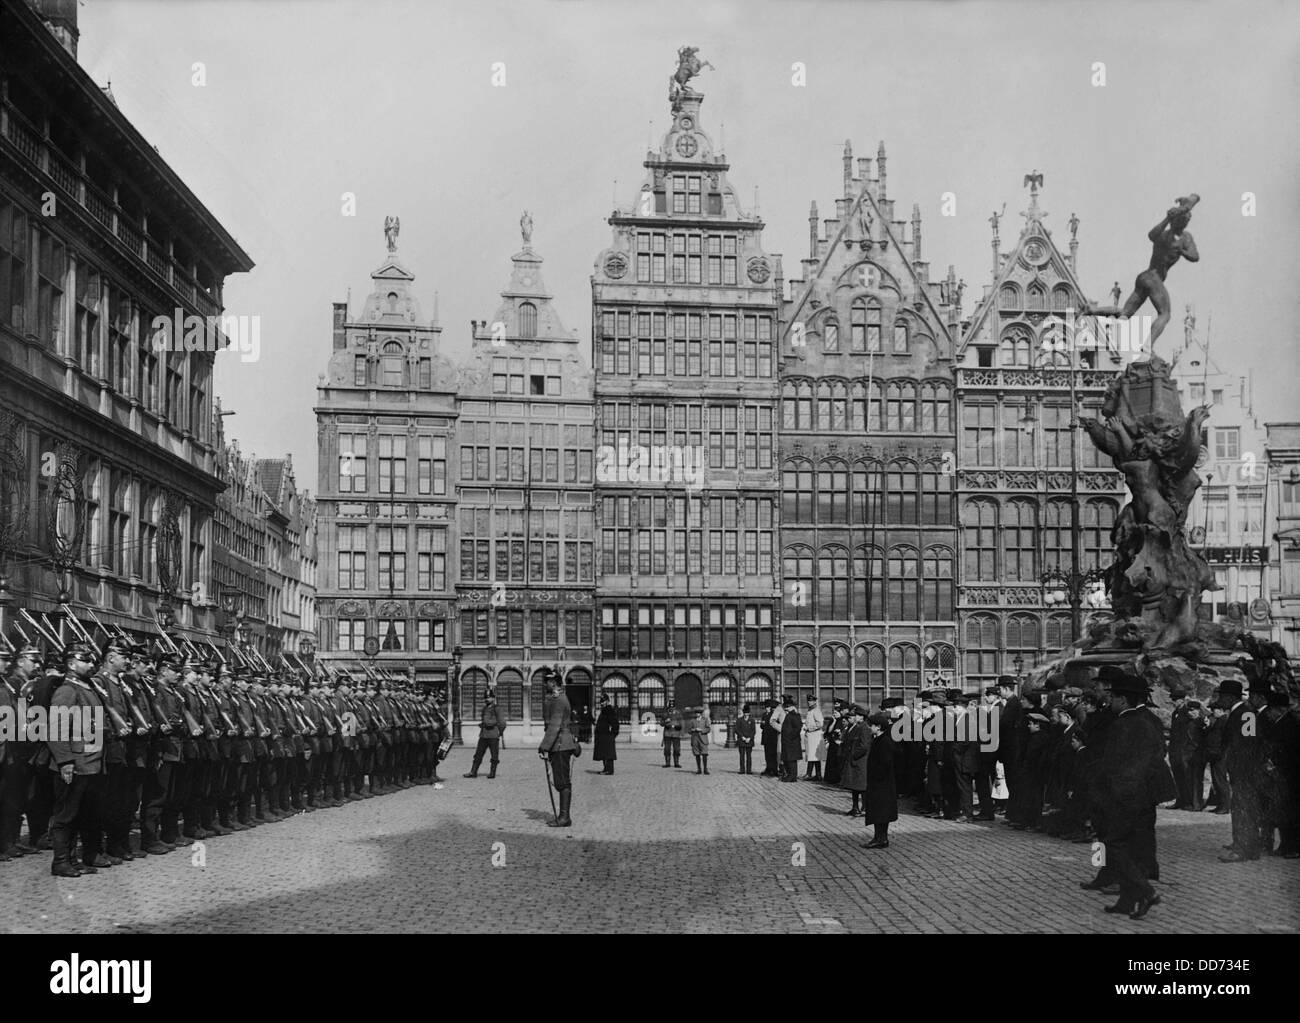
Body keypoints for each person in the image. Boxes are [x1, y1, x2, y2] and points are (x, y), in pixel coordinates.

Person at [1091, 666, 1175, 920]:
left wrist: (1115, 792)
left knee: (1114, 844)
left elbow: (1123, 765)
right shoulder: (1149, 719)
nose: (1111, 700)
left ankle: (1145, 891)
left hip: (1127, 796)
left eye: (1114, 696)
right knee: (1134, 846)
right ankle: (1127, 901)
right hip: (1144, 796)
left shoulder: (1125, 724)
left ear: (1124, 699)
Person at [47, 644, 108, 878]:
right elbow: (56, 729)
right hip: (75, 763)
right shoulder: (67, 690)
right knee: (66, 815)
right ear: (72, 664)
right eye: (86, 661)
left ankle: (73, 859)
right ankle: (61, 861)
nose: (92, 665)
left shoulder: (87, 687)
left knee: (83, 814)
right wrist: (65, 761)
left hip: (91, 762)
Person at [1219, 679, 1268, 862]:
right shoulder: (1240, 713)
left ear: (1229, 697)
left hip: (1245, 772)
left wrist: (1240, 769)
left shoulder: (1246, 715)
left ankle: (1244, 849)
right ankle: (1247, 847)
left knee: (1244, 810)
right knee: (1243, 809)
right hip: (1242, 771)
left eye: (1221, 696)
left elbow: (1249, 744)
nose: (1219, 700)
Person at [539, 673, 577, 827]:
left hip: (560, 744)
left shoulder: (560, 700)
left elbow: (555, 725)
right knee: (561, 780)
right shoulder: (557, 699)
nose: (545, 685)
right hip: (559, 743)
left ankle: (564, 817)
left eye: (547, 682)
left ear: (553, 683)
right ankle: (563, 816)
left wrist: (544, 746)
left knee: (562, 781)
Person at [862, 712, 897, 849]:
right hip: (878, 783)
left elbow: (885, 764)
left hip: (882, 784)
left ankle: (881, 839)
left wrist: (877, 777)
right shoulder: (878, 740)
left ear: (879, 727)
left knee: (881, 812)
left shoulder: (885, 742)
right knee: (878, 811)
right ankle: (879, 837)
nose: (870, 728)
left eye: (872, 726)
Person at [464, 690, 506, 779]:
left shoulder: (497, 709)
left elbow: (502, 722)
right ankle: (473, 772)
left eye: (489, 697)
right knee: (478, 754)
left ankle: (492, 773)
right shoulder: (485, 708)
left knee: (494, 755)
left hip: (493, 735)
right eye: (486, 698)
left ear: (493, 698)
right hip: (483, 735)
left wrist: (500, 732)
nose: (487, 699)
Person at [839, 705, 869, 816]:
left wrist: (854, 755)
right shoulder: (857, 727)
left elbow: (864, 746)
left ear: (862, 717)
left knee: (862, 786)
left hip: (860, 761)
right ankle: (855, 807)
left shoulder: (864, 728)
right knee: (854, 786)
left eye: (856, 715)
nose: (854, 717)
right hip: (855, 761)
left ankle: (865, 808)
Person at [593, 693, 619, 775]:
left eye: (603, 701)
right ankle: (606, 769)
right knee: (604, 753)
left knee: (608, 754)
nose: (601, 703)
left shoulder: (609, 710)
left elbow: (615, 724)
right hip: (603, 736)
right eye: (601, 702)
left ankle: (609, 770)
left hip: (607, 736)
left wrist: (612, 735)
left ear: (607, 701)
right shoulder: (604, 710)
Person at [779, 695, 802, 782]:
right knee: (787, 759)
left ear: (792, 707)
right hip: (787, 741)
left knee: (792, 759)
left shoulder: (795, 715)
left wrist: (790, 738)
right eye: (786, 706)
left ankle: (792, 776)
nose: (786, 708)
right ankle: (789, 775)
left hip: (792, 742)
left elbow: (797, 728)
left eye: (788, 707)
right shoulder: (789, 715)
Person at [802, 695, 824, 780]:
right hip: (811, 735)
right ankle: (817, 775)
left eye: (811, 701)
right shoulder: (810, 710)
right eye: (808, 701)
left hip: (815, 735)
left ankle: (810, 774)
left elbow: (820, 724)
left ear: (815, 701)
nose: (809, 702)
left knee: (814, 755)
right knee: (813, 755)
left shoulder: (816, 711)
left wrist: (809, 728)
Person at [760, 699, 780, 777]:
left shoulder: (773, 715)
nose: (767, 708)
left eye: (768, 707)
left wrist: (766, 723)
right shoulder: (764, 715)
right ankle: (768, 768)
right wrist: (763, 724)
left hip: (772, 737)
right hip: (766, 737)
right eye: (766, 707)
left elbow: (773, 725)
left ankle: (774, 769)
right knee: (767, 754)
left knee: (773, 754)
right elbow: (761, 726)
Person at [734, 703, 756, 774]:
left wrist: (749, 738)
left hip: (749, 740)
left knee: (749, 756)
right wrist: (742, 737)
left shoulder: (752, 720)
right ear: (743, 713)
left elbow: (753, 731)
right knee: (742, 756)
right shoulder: (739, 720)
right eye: (745, 713)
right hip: (741, 740)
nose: (746, 714)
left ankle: (749, 770)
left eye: (748, 713)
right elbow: (737, 730)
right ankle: (742, 770)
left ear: (749, 713)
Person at [690, 704, 711, 775]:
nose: (697, 714)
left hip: (703, 739)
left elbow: (708, 729)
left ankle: (705, 769)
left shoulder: (705, 720)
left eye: (698, 713)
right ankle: (699, 769)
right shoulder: (692, 720)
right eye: (696, 713)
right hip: (695, 739)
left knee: (704, 754)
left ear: (701, 713)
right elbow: (689, 730)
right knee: (697, 754)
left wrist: (701, 730)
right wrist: (693, 730)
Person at [662, 699, 683, 769]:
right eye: (670, 707)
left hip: (676, 733)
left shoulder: (678, 714)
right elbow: (661, 723)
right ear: (668, 707)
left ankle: (676, 763)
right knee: (667, 749)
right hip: (667, 733)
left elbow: (682, 723)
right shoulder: (665, 714)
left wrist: (679, 727)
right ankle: (667, 763)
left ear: (675, 707)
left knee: (677, 749)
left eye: (673, 707)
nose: (671, 708)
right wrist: (665, 722)